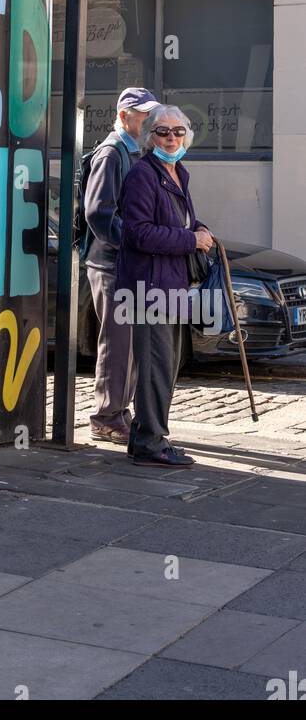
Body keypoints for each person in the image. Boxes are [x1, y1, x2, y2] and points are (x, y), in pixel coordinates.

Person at [115, 105, 214, 467]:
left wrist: (200, 229)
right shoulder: (144, 174)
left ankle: (145, 436)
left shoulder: (176, 172)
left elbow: (179, 220)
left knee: (165, 366)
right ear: (149, 136)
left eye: (177, 131)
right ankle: (152, 443)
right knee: (157, 367)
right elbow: (138, 232)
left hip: (171, 286)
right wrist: (191, 241)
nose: (171, 138)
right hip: (148, 288)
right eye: (163, 132)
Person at [83, 87, 159, 445]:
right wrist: (131, 243)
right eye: (144, 114)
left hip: (123, 261)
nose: (149, 121)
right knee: (117, 342)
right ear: (125, 115)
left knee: (127, 343)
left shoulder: (134, 152)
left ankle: (117, 411)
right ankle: (106, 417)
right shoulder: (113, 153)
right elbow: (98, 212)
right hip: (111, 262)